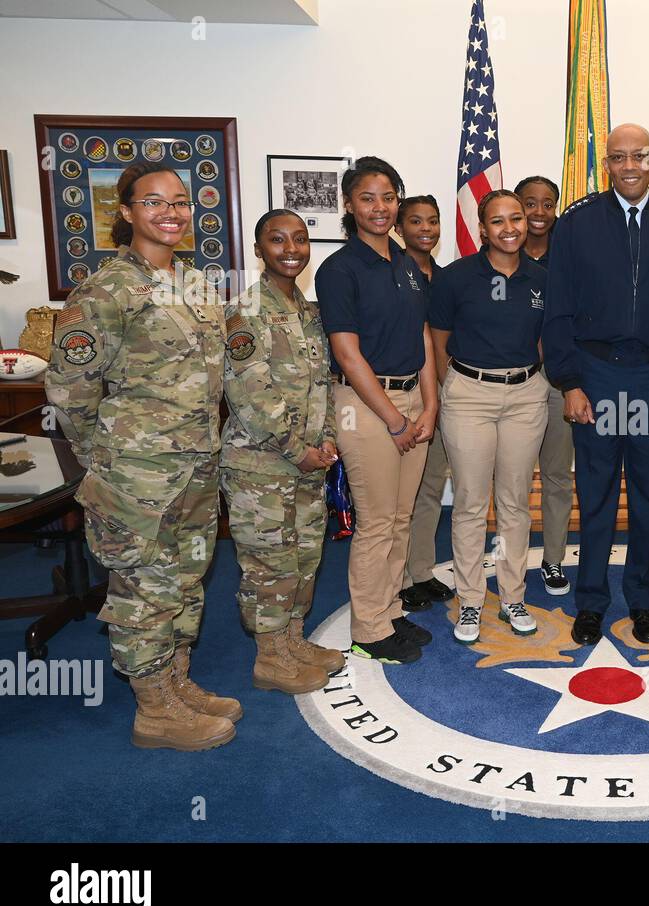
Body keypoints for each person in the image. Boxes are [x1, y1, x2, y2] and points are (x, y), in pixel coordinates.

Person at [45, 162, 236, 750]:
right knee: (142, 589)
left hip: (196, 467)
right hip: (136, 476)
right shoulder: (105, 291)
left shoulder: (195, 283)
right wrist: (108, 461)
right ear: (126, 213)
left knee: (185, 580)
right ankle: (153, 709)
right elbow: (70, 393)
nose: (171, 213)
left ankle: (174, 682)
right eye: (154, 202)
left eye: (180, 202)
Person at [542, 123, 649, 646]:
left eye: (639, 156)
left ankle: (643, 600)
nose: (631, 166)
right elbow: (558, 311)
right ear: (607, 165)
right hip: (596, 375)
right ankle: (590, 600)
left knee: (647, 491)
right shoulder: (577, 224)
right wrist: (569, 382)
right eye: (619, 158)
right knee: (594, 492)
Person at [316, 156, 438, 665]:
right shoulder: (338, 269)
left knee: (401, 517)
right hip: (366, 406)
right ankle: (369, 629)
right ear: (349, 204)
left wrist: (430, 405)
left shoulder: (406, 263)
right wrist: (393, 418)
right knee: (376, 521)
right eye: (368, 198)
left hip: (412, 399)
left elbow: (423, 337)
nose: (380, 207)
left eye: (388, 197)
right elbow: (347, 353)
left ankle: (389, 611)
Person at [220, 209, 344, 695]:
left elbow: (325, 386)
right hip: (262, 466)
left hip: (308, 462)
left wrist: (328, 437)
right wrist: (298, 449)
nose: (290, 248)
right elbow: (252, 396)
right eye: (277, 239)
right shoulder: (246, 313)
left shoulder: (307, 312)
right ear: (258, 250)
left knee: (304, 557)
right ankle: (270, 657)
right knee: (269, 564)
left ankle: (292, 640)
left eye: (299, 238)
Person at [429, 190, 549, 643]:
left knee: (516, 502)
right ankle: (472, 602)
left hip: (525, 396)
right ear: (482, 229)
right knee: (471, 504)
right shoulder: (456, 277)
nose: (509, 228)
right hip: (469, 394)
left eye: (516, 218)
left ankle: (513, 597)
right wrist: (454, 389)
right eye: (497, 221)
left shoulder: (542, 279)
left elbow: (544, 339)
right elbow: (439, 339)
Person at [396, 194, 456, 612]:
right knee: (401, 495)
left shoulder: (448, 278)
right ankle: (397, 579)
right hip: (406, 393)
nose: (425, 229)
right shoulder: (391, 273)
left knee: (431, 486)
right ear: (399, 228)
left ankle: (421, 571)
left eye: (432, 222)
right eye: (415, 222)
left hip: (447, 392)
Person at [515, 175, 573, 596]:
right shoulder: (498, 258)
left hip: (557, 382)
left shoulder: (570, 258)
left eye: (546, 203)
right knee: (511, 482)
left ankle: (553, 560)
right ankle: (510, 559)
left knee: (556, 476)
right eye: (529, 204)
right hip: (514, 384)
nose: (538, 212)